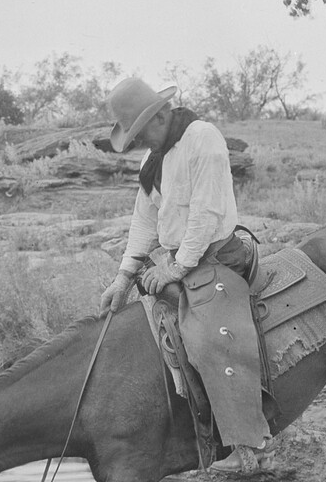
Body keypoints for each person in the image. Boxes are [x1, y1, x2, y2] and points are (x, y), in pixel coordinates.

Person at [97, 78, 252, 315]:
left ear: (160, 117)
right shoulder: (152, 158)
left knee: (209, 336)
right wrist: (123, 277)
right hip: (182, 260)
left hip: (218, 259)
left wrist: (174, 269)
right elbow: (145, 221)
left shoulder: (202, 137)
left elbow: (206, 214)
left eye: (139, 131)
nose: (138, 141)